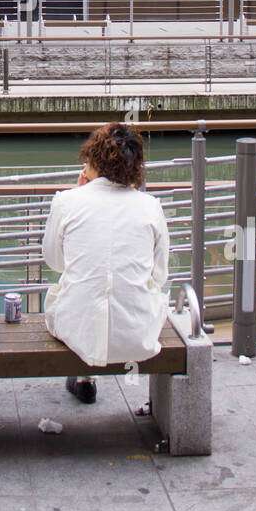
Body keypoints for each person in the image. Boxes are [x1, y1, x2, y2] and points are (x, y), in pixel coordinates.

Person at [42, 122, 169, 404]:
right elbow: (159, 275)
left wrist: (76, 194)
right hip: (138, 335)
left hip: (78, 331)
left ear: (91, 161)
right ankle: (86, 377)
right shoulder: (151, 206)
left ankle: (86, 376)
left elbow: (55, 262)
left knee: (69, 292)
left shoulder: (67, 201)